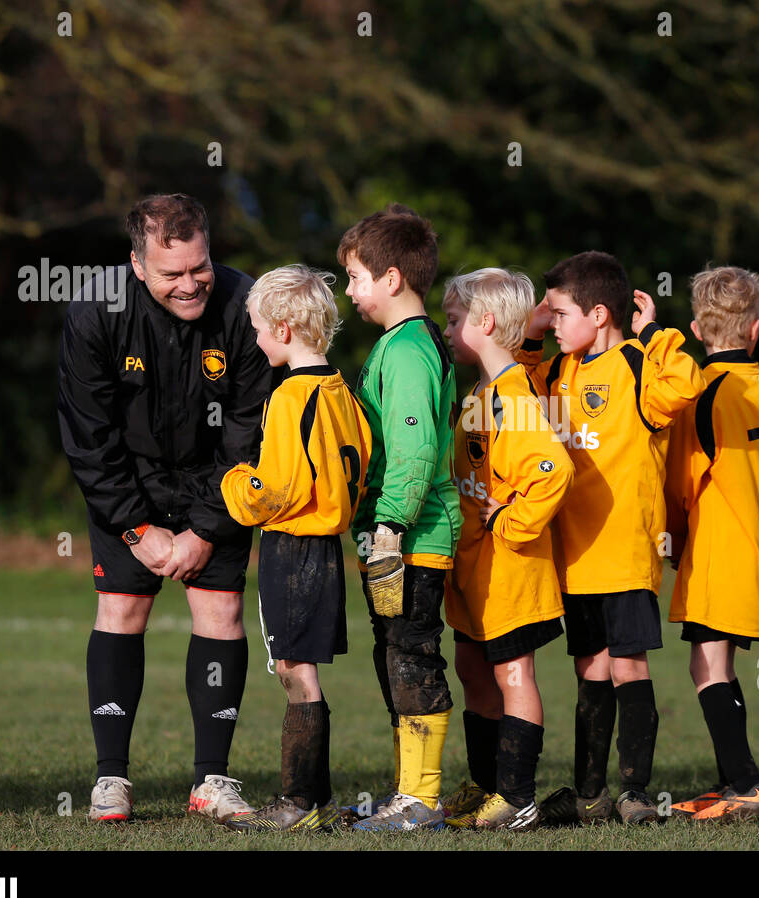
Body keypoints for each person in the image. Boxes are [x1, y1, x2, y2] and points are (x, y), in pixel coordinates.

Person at [58, 193, 273, 824]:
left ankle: (212, 782)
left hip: (219, 477)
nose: (189, 284)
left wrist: (206, 528)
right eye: (170, 273)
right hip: (131, 479)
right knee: (121, 609)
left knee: (222, 609)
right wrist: (136, 527)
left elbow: (250, 428)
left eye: (199, 267)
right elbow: (87, 435)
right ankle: (111, 782)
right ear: (136, 264)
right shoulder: (95, 311)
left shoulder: (244, 304)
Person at [518, 251, 705, 825]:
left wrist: (655, 334)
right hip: (575, 554)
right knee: (589, 669)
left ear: (599, 314)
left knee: (628, 666)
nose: (553, 324)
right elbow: (518, 392)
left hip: (626, 548)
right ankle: (590, 793)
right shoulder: (560, 370)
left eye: (560, 313)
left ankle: (635, 792)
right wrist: (528, 336)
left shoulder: (637, 363)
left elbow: (684, 386)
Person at [218, 264, 372, 832]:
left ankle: (298, 802)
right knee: (300, 666)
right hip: (327, 548)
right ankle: (318, 799)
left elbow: (275, 489)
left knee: (294, 670)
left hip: (294, 547)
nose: (256, 340)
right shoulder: (343, 391)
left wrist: (235, 483)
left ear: (283, 329)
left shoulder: (290, 396)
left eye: (258, 328)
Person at [338, 204, 462, 831]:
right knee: (395, 654)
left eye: (356, 277)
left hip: (412, 535)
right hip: (395, 533)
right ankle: (406, 792)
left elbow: (412, 449)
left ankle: (423, 799)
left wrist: (389, 524)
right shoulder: (400, 343)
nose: (351, 292)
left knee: (413, 654)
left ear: (392, 279)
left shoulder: (409, 350)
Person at [437, 268, 574, 831]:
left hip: (511, 567)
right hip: (474, 569)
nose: (445, 330)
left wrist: (510, 523)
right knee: (472, 667)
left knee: (514, 674)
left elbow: (553, 471)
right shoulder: (482, 392)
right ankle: (487, 784)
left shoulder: (512, 397)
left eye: (453, 319)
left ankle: (517, 798)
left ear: (485, 323)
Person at [665, 266, 759, 822]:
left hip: (720, 541)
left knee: (707, 666)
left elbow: (683, 480)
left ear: (695, 328)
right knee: (718, 663)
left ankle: (744, 785)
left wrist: (670, 534)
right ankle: (731, 782)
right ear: (757, 328)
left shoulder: (705, 393)